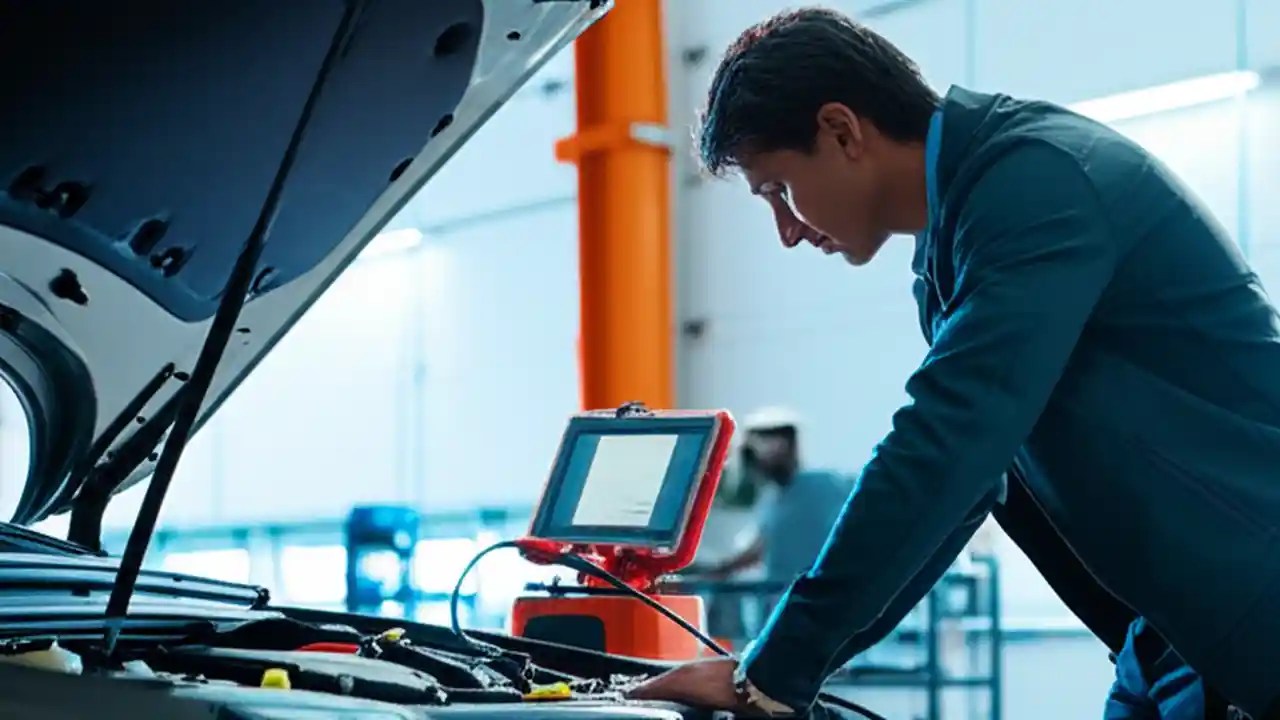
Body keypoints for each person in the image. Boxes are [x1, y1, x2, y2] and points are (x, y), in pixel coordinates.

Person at [628, 7, 1280, 719]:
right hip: (1169, 635)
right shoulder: (951, 250)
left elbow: (947, 448)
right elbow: (970, 485)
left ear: (842, 131)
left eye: (779, 190)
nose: (786, 232)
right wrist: (782, 667)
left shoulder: (1036, 185)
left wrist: (776, 668)